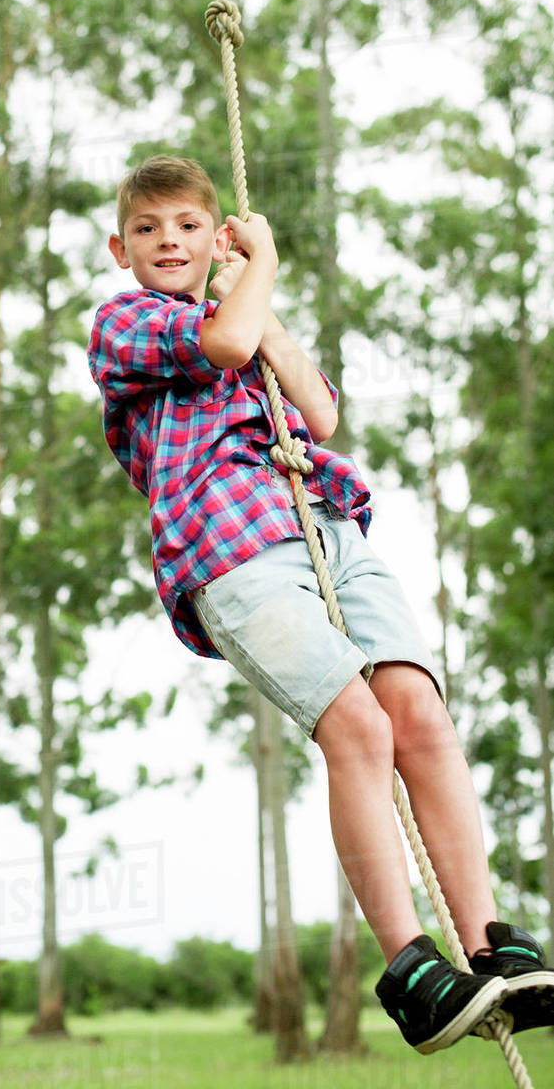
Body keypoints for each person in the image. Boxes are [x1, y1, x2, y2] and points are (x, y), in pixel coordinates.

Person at [87, 154, 554, 1053]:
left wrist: (252, 288)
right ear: (121, 249)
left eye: (187, 225)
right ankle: (411, 968)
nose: (168, 243)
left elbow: (320, 412)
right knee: (357, 726)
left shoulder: (248, 312)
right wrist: (257, 268)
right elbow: (221, 346)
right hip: (230, 550)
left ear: (212, 234)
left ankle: (492, 942)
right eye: (147, 231)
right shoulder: (124, 322)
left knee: (417, 712)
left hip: (325, 528)